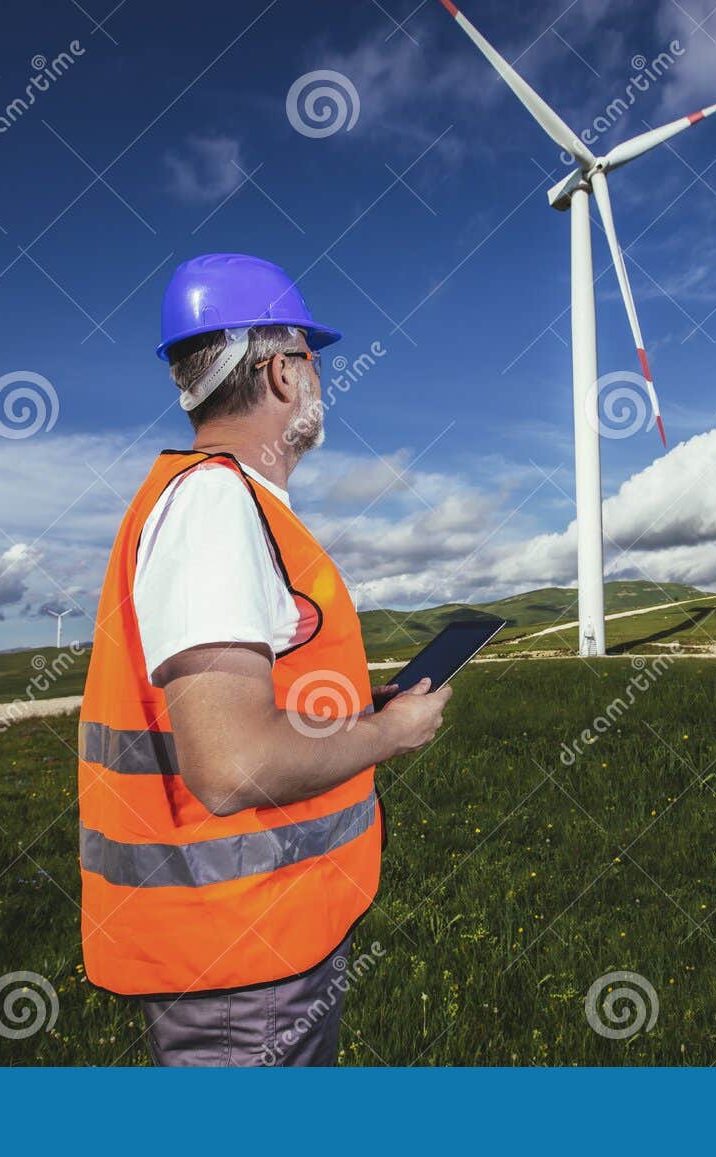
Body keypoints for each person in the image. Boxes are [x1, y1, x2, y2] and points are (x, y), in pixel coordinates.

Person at [77, 253, 451, 1066]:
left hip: (266, 940)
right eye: (315, 362)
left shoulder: (229, 504)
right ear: (282, 373)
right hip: (239, 961)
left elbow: (257, 704)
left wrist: (360, 708)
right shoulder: (215, 503)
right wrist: (392, 736)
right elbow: (231, 764)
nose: (321, 381)